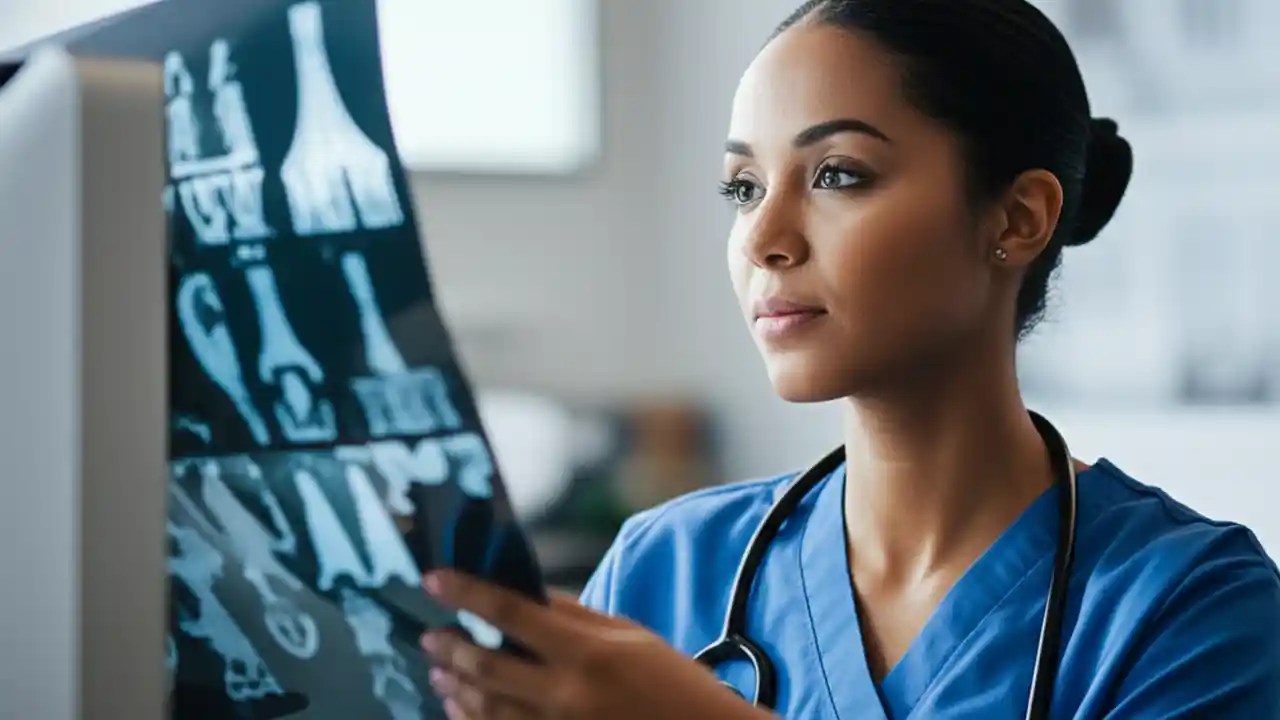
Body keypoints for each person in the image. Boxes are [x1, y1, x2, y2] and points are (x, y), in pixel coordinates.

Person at [417, 1, 1280, 717]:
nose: (762, 238)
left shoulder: (1191, 610)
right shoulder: (665, 567)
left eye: (837, 174)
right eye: (743, 188)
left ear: (1017, 220)